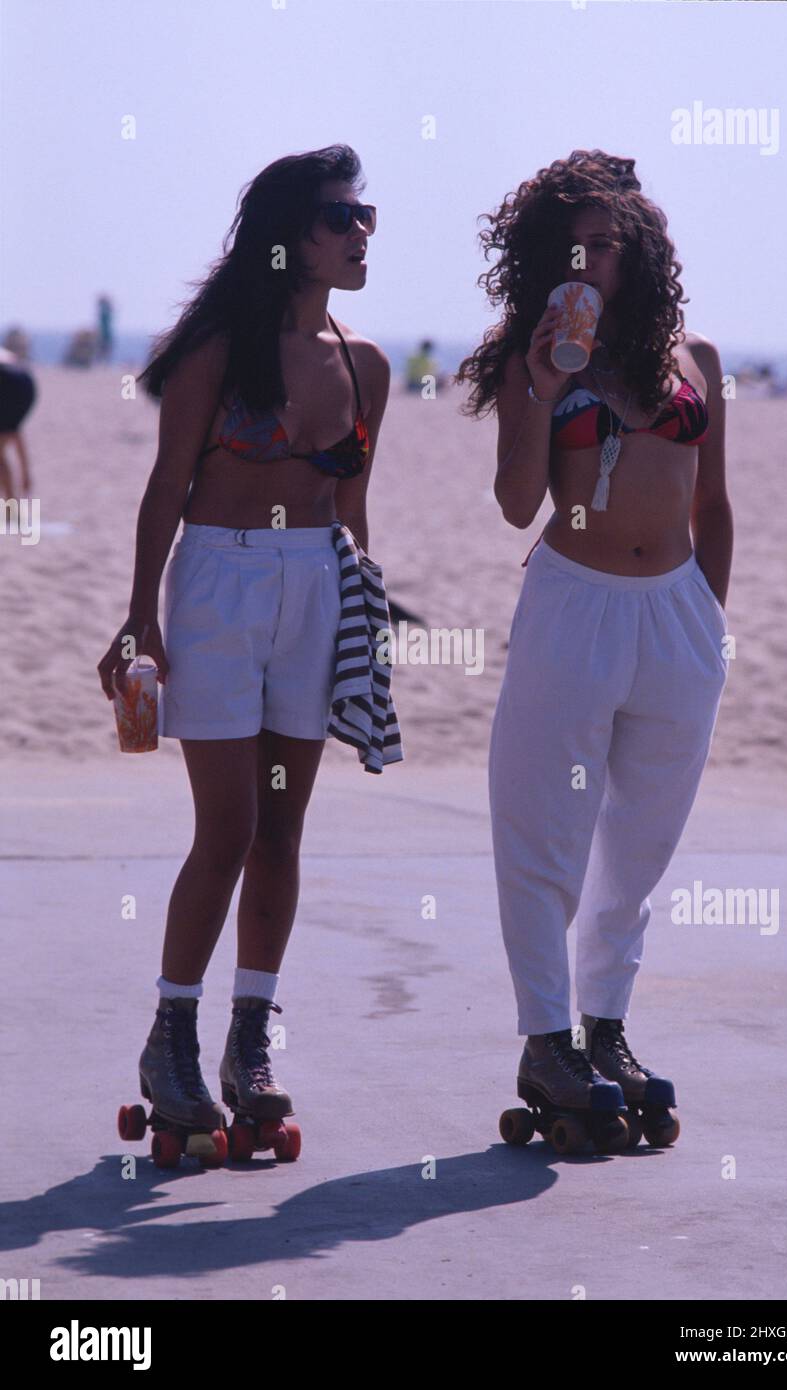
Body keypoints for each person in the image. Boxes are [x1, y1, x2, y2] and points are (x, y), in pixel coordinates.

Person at [97, 145, 398, 1163]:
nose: (360, 231)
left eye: (367, 214)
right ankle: (170, 1036)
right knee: (224, 829)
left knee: (281, 828)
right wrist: (141, 619)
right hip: (218, 585)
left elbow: (350, 510)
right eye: (339, 216)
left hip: (314, 588)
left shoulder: (366, 365)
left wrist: (366, 608)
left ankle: (249, 1043)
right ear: (289, 236)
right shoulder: (219, 349)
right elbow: (165, 487)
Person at [455, 149, 731, 1152]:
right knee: (541, 835)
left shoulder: (689, 356)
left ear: (637, 250)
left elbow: (713, 501)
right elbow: (513, 504)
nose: (588, 260)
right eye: (568, 245)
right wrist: (537, 383)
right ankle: (543, 1040)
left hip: (673, 613)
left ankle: (604, 1028)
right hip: (572, 604)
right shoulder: (528, 350)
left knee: (640, 842)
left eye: (605, 243)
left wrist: (709, 622)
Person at [0, 349, 36, 499]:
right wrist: (25, 471)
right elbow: (16, 432)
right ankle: (11, 505)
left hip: (7, 379)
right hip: (26, 382)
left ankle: (10, 506)